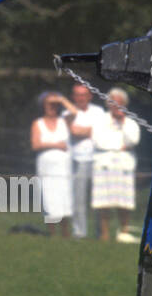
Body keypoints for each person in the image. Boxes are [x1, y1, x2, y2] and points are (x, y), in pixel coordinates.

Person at [91, 89, 140, 242]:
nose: (115, 106)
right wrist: (118, 146)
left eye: (119, 103)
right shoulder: (100, 120)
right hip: (104, 162)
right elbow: (98, 141)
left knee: (124, 200)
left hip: (124, 164)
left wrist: (122, 122)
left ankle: (123, 232)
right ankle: (104, 234)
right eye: (112, 102)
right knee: (103, 201)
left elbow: (133, 141)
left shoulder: (131, 123)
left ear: (124, 104)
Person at [64, 82, 106, 239]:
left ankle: (102, 233)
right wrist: (89, 130)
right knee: (79, 199)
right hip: (78, 159)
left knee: (100, 199)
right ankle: (79, 233)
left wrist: (85, 131)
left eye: (84, 94)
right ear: (73, 97)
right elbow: (73, 133)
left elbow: (101, 132)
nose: (81, 98)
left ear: (90, 96)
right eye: (77, 94)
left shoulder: (99, 112)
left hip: (98, 159)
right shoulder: (67, 113)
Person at [31, 91, 73, 237]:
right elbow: (36, 145)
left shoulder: (64, 121)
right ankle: (52, 233)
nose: (52, 107)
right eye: (49, 104)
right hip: (46, 167)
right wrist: (56, 145)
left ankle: (66, 233)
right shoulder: (38, 123)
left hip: (63, 167)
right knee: (49, 197)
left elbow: (74, 112)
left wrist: (61, 99)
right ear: (43, 106)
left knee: (64, 196)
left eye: (55, 105)